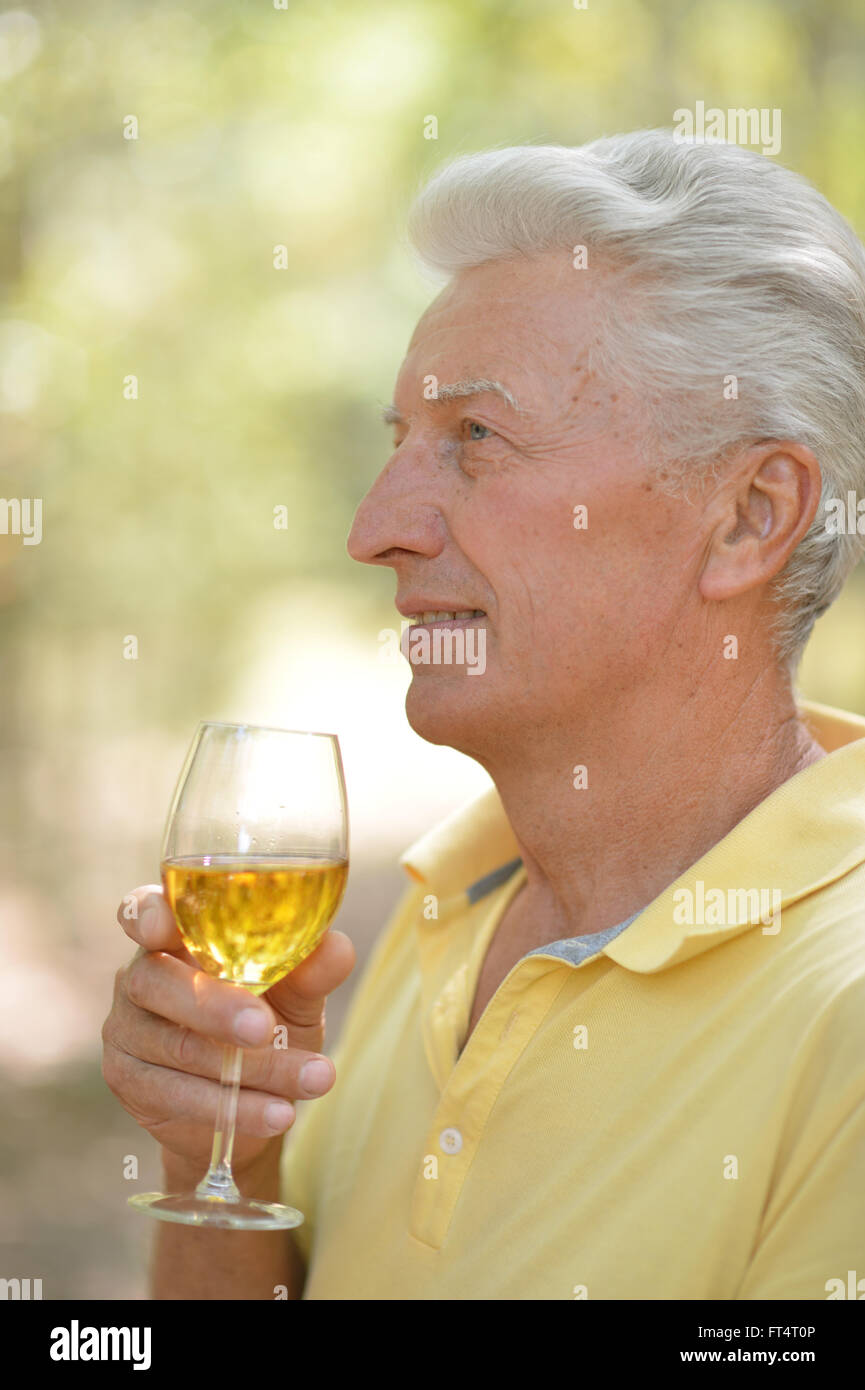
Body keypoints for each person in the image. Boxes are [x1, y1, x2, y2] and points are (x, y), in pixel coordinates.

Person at [103, 130, 865, 1299]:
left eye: (475, 437)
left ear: (749, 516)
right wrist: (232, 1153)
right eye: (401, 440)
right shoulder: (447, 909)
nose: (375, 527)